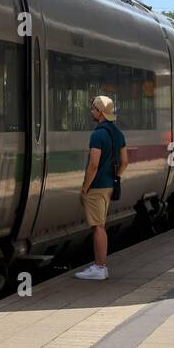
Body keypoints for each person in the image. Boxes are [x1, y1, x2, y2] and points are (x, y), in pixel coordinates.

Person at [75, 95, 129, 281]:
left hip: (96, 187)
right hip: (109, 186)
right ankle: (99, 266)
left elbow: (93, 165)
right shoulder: (118, 133)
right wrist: (116, 177)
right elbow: (124, 162)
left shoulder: (97, 135)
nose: (91, 112)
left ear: (99, 111)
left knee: (98, 227)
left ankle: (100, 267)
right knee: (101, 224)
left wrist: (84, 187)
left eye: (93, 109)